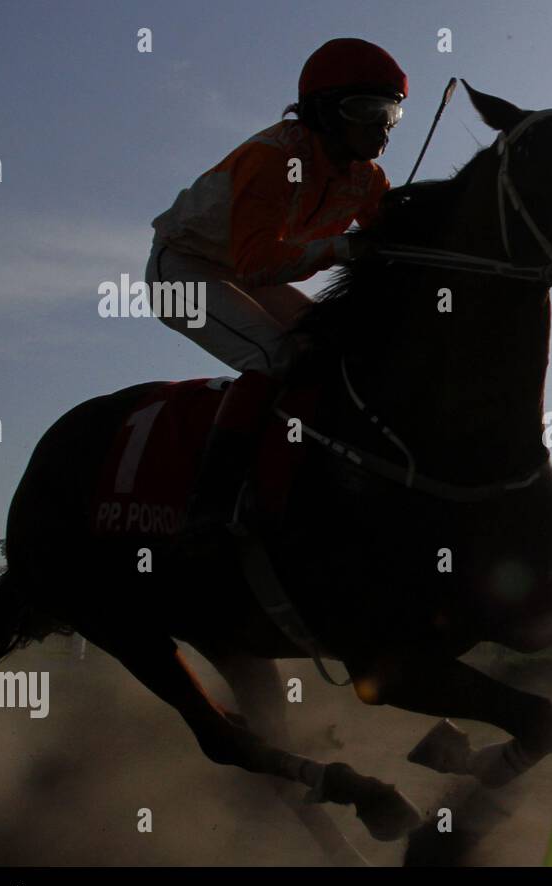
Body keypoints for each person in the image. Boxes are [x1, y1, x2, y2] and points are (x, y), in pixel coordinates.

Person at [147, 38, 408, 542]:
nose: (382, 126)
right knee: (276, 359)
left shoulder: (368, 178)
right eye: (368, 110)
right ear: (325, 111)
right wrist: (344, 249)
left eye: (391, 111)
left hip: (243, 273)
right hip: (183, 269)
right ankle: (211, 508)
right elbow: (258, 262)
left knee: (338, 349)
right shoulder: (272, 159)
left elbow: (392, 244)